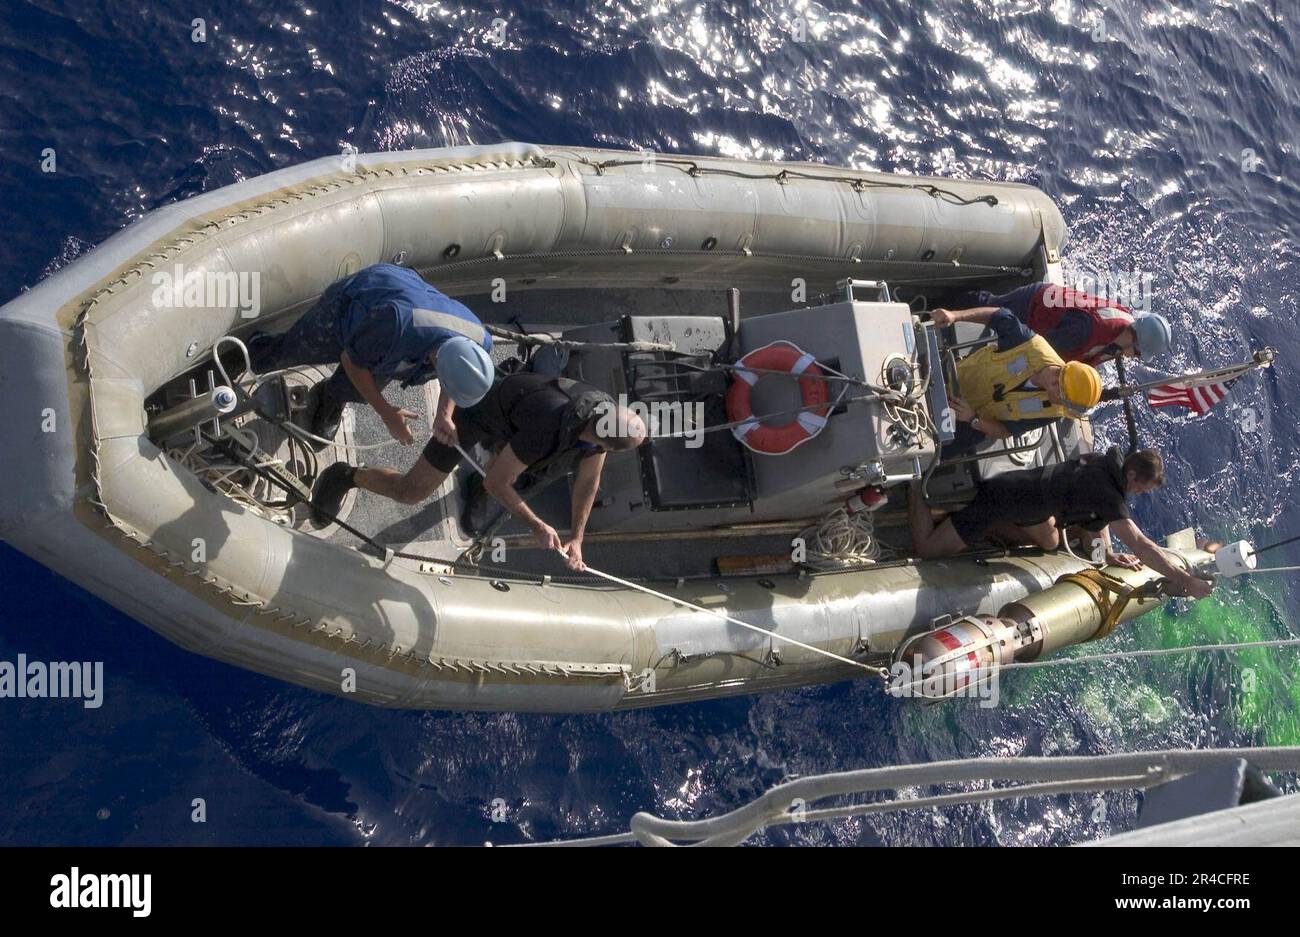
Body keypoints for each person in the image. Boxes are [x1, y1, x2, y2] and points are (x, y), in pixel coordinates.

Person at [311, 373, 648, 571]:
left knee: (513, 475)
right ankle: (346, 475)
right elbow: (497, 481)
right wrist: (537, 525)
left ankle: (485, 476)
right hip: (479, 416)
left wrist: (577, 537)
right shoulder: (549, 427)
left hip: (516, 425)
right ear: (607, 441)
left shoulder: (601, 420)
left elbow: (589, 481)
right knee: (411, 492)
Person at [907, 447, 1215, 599]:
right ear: (1132, 475)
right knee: (928, 549)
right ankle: (913, 483)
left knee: (1051, 542)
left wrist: (1107, 554)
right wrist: (1186, 581)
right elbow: (1142, 545)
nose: (1138, 494)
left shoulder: (1106, 467)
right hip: (1004, 497)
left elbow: (1098, 518)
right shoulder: (1110, 494)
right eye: (1140, 488)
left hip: (1033, 505)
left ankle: (979, 527)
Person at [249, 263, 494, 444]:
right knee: (297, 348)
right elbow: (351, 361)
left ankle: (331, 398)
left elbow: (453, 381)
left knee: (357, 388)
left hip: (402, 346)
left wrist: (444, 414)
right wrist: (388, 414)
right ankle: (256, 351)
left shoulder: (480, 342)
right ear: (441, 365)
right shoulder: (396, 327)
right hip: (359, 305)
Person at [933, 306, 1103, 456]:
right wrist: (954, 316)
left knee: (933, 450)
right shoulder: (1028, 344)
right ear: (1060, 388)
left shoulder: (1052, 412)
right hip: (950, 378)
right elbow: (997, 315)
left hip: (970, 420)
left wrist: (973, 419)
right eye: (1063, 401)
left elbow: (1006, 431)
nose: (1060, 407)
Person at [939, 282, 1172, 366]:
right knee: (993, 307)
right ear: (1133, 338)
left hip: (1052, 312)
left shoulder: (1120, 336)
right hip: (1034, 304)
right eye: (1139, 353)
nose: (1134, 358)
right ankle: (947, 305)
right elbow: (1037, 347)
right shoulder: (1087, 331)